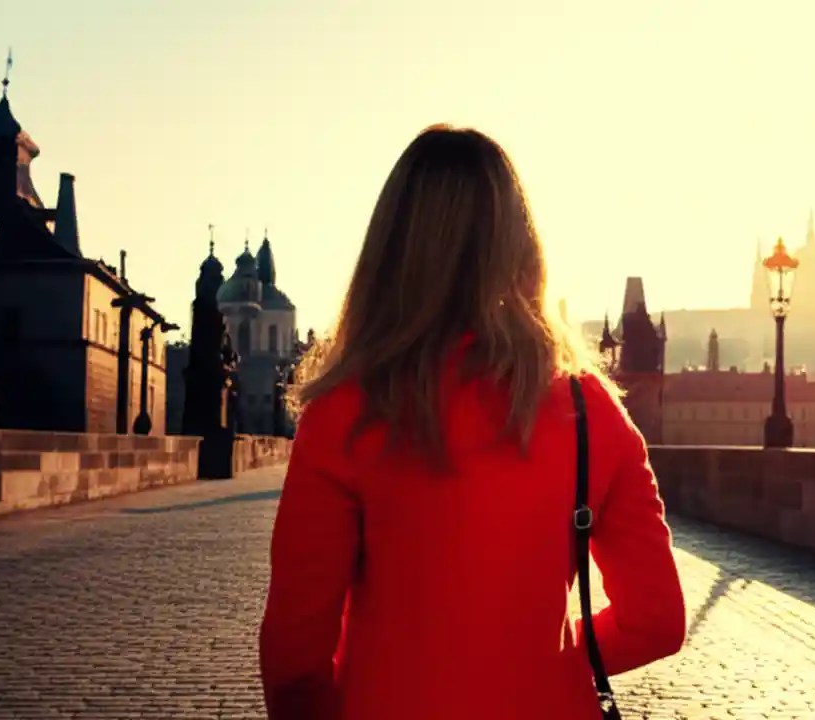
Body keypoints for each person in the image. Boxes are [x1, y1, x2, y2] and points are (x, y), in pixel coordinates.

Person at [258, 125, 687, 719]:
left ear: (390, 251)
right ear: (522, 248)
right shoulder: (591, 411)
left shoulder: (347, 412)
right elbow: (657, 620)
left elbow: (295, 655)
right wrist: (546, 667)